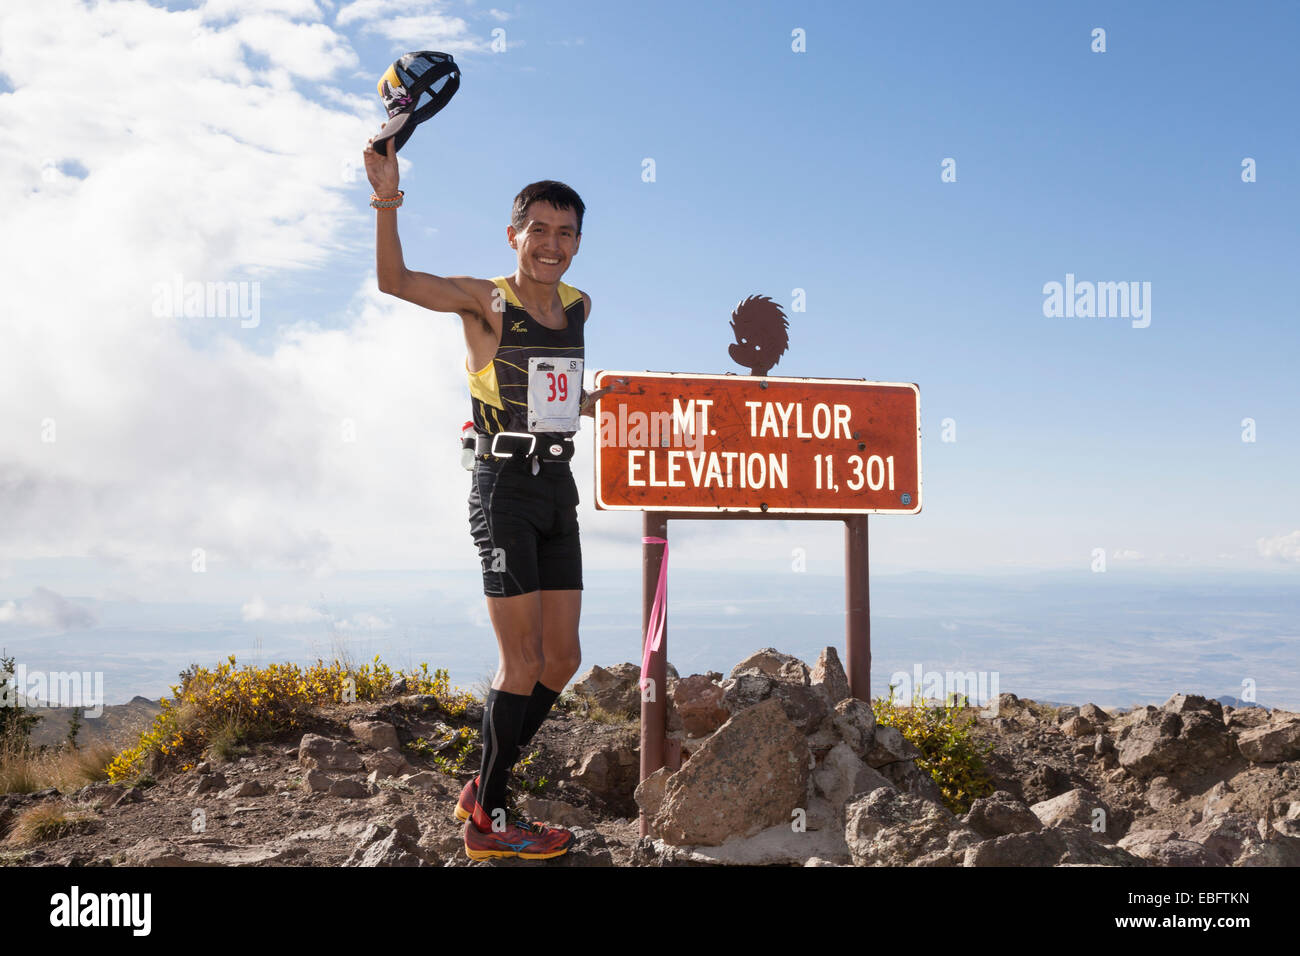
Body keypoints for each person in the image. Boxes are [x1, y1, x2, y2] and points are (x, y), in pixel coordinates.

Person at [363, 137, 623, 861]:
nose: (551, 243)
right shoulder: (487, 300)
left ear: (578, 243)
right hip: (502, 489)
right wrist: (387, 198)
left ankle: (484, 784)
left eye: (565, 232)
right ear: (514, 235)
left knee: (562, 658)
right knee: (522, 659)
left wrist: (595, 402)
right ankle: (491, 821)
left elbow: (550, 393)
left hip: (558, 487)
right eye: (538, 229)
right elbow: (394, 281)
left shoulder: (578, 306)